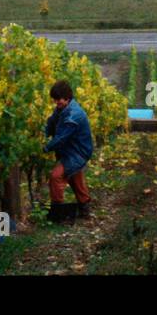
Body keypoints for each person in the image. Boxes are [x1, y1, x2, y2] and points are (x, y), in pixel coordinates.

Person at [45, 79, 94, 219]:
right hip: (70, 150)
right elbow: (51, 122)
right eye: (54, 100)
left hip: (78, 152)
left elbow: (61, 138)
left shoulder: (74, 114)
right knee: (74, 176)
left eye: (58, 99)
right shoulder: (61, 108)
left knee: (56, 176)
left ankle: (58, 211)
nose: (56, 102)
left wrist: (45, 147)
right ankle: (85, 208)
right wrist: (45, 133)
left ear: (67, 97)